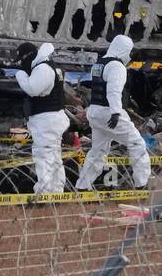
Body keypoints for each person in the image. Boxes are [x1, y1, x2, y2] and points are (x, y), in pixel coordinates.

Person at [76, 34, 151, 190]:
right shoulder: (117, 66)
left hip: (95, 112)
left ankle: (83, 186)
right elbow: (113, 91)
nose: (129, 56)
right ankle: (142, 184)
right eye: (128, 51)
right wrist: (116, 112)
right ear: (122, 49)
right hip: (109, 112)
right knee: (137, 144)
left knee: (97, 151)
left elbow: (97, 88)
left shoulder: (99, 63)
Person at [14, 41, 70, 195]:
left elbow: (32, 89)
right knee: (54, 157)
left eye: (20, 61)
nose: (20, 64)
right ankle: (56, 192)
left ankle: (43, 193)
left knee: (43, 157)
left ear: (27, 56)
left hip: (47, 120)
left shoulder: (42, 68)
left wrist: (20, 75)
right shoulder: (50, 66)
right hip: (52, 118)